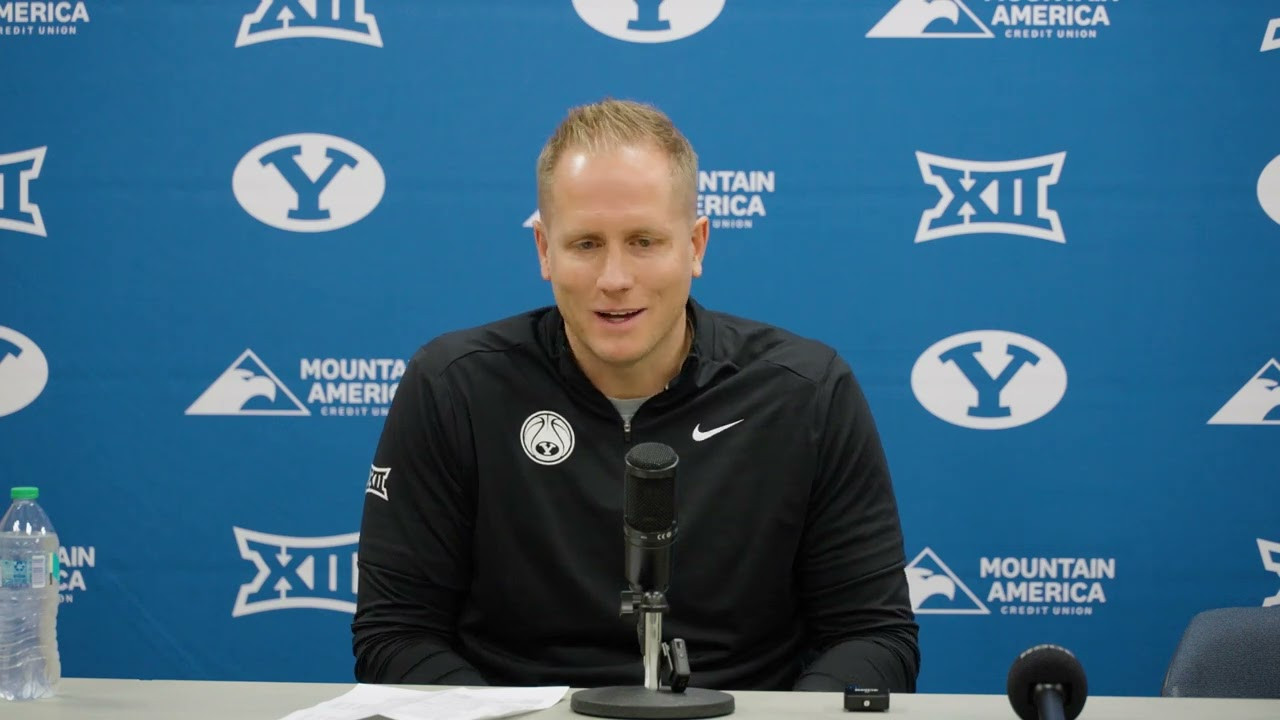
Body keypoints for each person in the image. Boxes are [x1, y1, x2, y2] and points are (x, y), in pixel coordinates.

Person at [351, 98, 919, 692]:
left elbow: (873, 637)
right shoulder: (454, 387)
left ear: (696, 245)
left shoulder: (807, 393)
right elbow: (396, 634)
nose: (615, 278)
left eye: (644, 241)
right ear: (544, 250)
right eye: (586, 244)